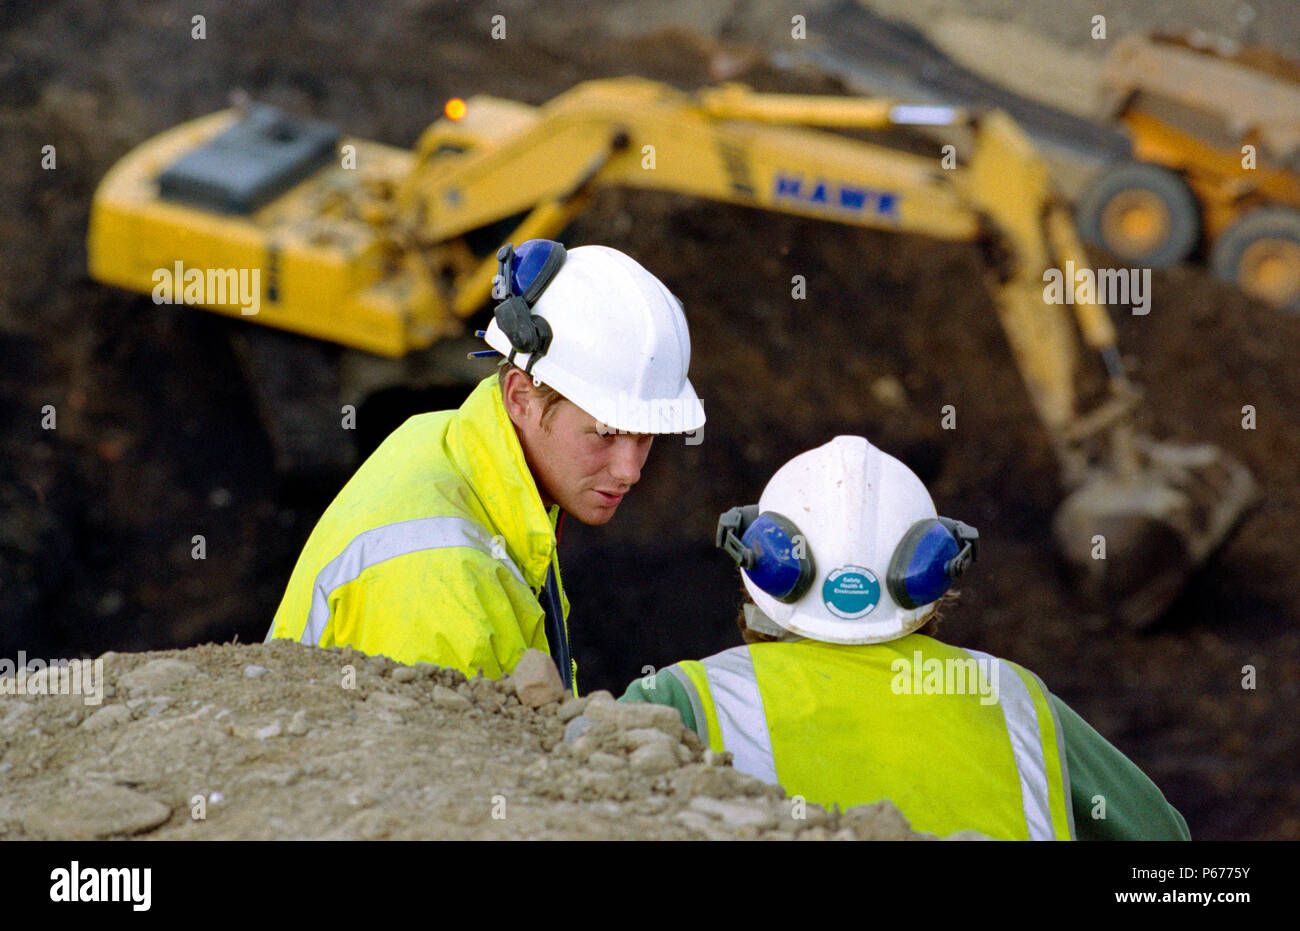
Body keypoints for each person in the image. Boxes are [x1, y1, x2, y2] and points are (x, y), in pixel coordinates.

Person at [620, 435, 1189, 840]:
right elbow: (1162, 839)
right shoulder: (1014, 698)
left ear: (762, 565)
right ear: (931, 571)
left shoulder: (681, 699)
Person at [266, 240, 704, 694]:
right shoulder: (445, 588)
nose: (630, 471)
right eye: (607, 433)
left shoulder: (453, 445)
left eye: (646, 436)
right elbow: (440, 762)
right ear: (521, 396)